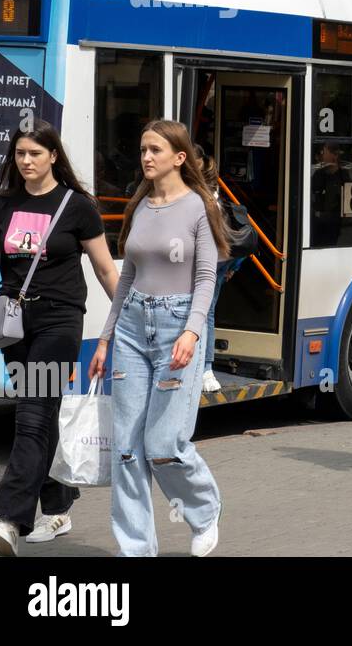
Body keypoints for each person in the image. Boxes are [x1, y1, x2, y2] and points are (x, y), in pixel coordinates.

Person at [89, 119, 228, 556]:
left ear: (179, 158)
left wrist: (191, 331)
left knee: (164, 444)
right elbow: (127, 274)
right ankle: (136, 550)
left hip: (176, 327)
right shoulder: (140, 206)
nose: (146, 157)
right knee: (127, 451)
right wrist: (106, 338)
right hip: (131, 327)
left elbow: (206, 276)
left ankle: (204, 512)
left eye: (155, 150)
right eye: (143, 149)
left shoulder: (200, 208)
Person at [0, 122, 119, 557]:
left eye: (35, 154)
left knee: (32, 414)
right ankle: (58, 505)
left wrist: (129, 323)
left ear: (53, 156)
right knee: (44, 414)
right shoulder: (3, 203)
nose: (26, 161)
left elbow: (104, 269)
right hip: (15, 322)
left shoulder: (77, 206)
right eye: (20, 153)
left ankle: (6, 519)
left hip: (59, 321)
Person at [194, 146, 232, 394]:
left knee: (205, 313)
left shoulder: (207, 194)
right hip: (203, 262)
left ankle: (206, 367)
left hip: (211, 264)